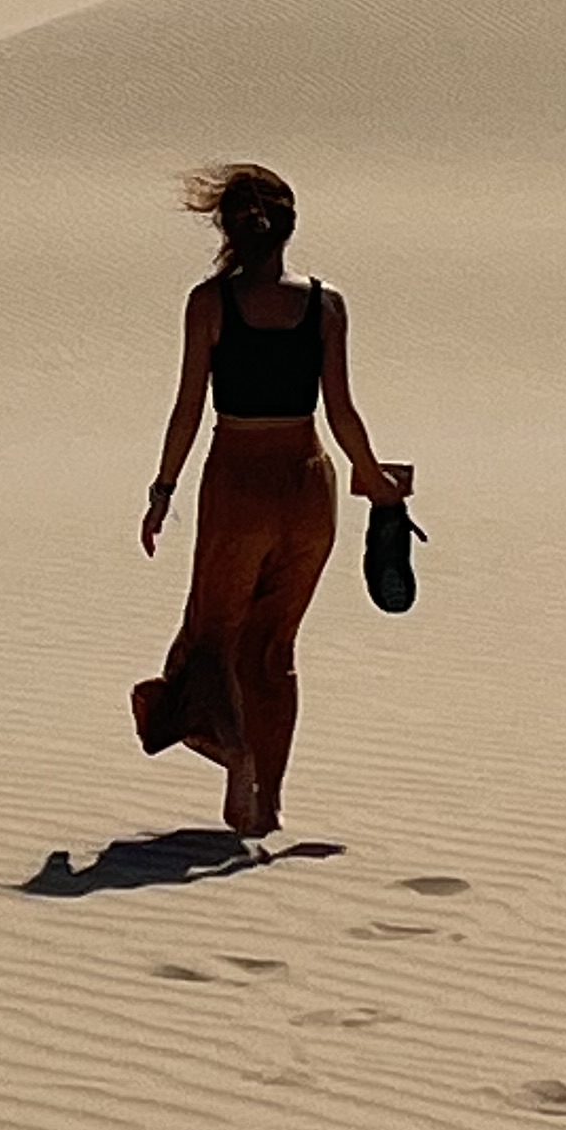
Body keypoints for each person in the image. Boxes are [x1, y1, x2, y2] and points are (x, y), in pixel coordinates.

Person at [131, 162, 411, 844]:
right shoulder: (325, 303)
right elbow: (342, 411)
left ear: (226, 231)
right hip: (308, 483)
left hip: (238, 480)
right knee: (275, 650)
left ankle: (235, 755)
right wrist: (374, 481)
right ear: (290, 228)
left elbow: (188, 409)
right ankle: (270, 804)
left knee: (212, 639)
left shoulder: (209, 303)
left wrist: (163, 491)